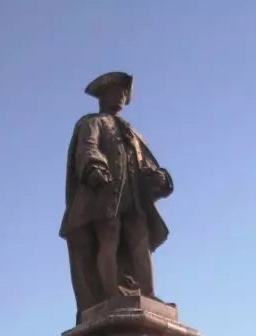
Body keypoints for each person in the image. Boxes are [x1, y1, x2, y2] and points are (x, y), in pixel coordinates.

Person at [60, 72, 174, 321]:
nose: (122, 97)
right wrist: (94, 168)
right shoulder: (92, 123)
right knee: (108, 240)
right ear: (104, 96)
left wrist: (158, 177)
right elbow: (88, 149)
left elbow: (145, 162)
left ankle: (149, 293)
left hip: (133, 197)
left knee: (140, 241)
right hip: (105, 196)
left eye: (125, 94)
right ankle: (110, 295)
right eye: (117, 92)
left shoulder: (132, 132)